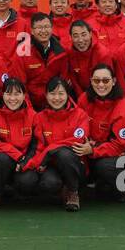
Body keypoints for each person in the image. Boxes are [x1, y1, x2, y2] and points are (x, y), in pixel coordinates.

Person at [22, 77, 92, 211]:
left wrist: (50, 150)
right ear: (46, 95)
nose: (57, 98)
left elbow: (77, 141)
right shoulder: (40, 117)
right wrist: (35, 164)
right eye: (52, 94)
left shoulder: (80, 115)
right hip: (50, 165)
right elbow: (39, 145)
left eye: (61, 93)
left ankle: (73, 192)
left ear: (67, 95)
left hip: (76, 165)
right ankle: (62, 190)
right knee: (49, 184)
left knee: (64, 153)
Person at [76, 64, 125, 201]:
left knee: (104, 167)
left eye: (106, 80)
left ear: (114, 81)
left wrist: (93, 149)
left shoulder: (123, 108)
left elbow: (119, 145)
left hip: (117, 154)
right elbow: (76, 127)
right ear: (91, 81)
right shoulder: (83, 99)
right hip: (90, 149)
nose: (101, 85)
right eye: (96, 81)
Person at [0, 78, 39, 208]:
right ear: (2, 94)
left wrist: (25, 161)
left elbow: (36, 145)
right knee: (1, 159)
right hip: (3, 160)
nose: (12, 98)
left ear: (24, 95)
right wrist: (17, 155)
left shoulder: (33, 116)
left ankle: (16, 191)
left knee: (27, 182)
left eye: (17, 94)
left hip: (24, 162)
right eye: (8, 94)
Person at [10, 12, 68, 109]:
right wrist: (29, 111)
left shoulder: (61, 52)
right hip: (29, 105)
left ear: (52, 29)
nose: (43, 30)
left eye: (46, 27)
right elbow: (19, 86)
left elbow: (63, 82)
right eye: (39, 27)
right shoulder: (22, 52)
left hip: (55, 103)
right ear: (32, 31)